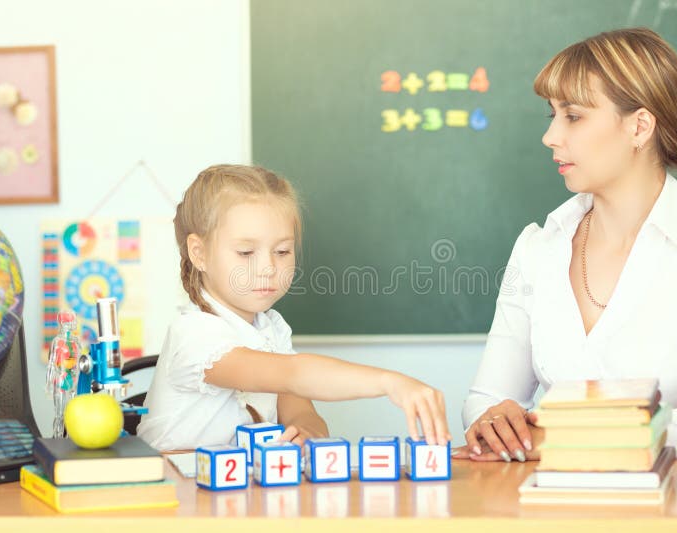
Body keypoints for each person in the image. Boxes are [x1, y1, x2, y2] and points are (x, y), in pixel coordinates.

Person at [456, 28, 677, 463]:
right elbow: (485, 401)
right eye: (550, 115)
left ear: (639, 126)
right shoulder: (537, 248)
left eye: (573, 116)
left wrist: (555, 440)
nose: (551, 137)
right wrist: (497, 422)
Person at [138, 164, 450, 451]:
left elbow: (301, 410)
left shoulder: (270, 328)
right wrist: (388, 381)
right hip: (174, 499)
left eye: (283, 251)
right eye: (246, 253)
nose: (268, 268)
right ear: (199, 253)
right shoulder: (194, 334)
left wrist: (306, 431)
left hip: (237, 500)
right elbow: (293, 374)